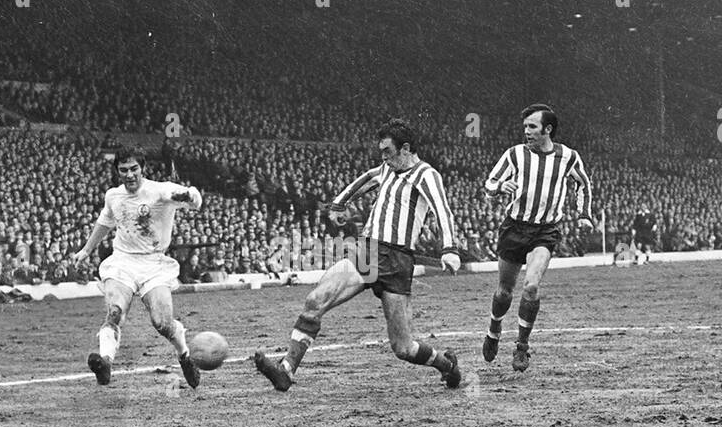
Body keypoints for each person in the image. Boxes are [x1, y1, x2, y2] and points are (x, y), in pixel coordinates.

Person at [253, 118, 462, 392]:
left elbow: (442, 210)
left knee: (403, 347)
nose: (383, 156)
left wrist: (450, 249)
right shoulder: (386, 169)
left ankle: (446, 365)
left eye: (387, 151)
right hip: (368, 251)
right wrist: (338, 205)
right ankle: (286, 369)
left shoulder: (427, 175)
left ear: (406, 148)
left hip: (398, 261)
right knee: (316, 299)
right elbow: (363, 180)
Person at [71, 147, 204, 388]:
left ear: (142, 169)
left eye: (134, 169)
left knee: (162, 323)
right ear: (117, 172)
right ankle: (105, 362)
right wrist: (86, 250)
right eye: (124, 170)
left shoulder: (159, 191)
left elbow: (193, 199)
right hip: (122, 262)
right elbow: (105, 221)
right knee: (114, 311)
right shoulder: (113, 196)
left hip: (154, 263)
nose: (130, 175)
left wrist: (192, 195)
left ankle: (184, 355)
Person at [481, 103, 593, 372]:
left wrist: (584, 214)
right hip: (514, 228)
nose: (526, 132)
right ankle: (494, 330)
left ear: (548, 129)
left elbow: (584, 183)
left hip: (545, 231)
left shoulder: (568, 156)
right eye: (525, 127)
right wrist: (500, 187)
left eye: (532, 127)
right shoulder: (515, 155)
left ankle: (522, 347)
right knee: (504, 291)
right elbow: (489, 182)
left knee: (531, 286)